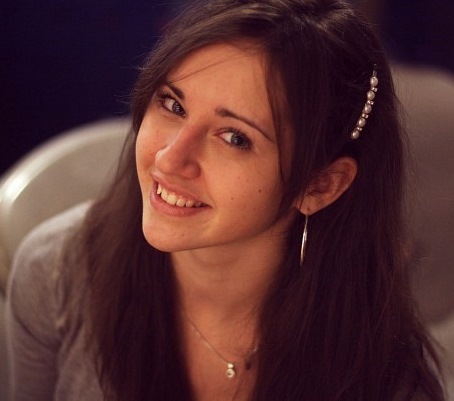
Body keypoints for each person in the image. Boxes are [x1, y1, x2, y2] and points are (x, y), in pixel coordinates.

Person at [6, 0, 446, 400]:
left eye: (235, 137)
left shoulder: (387, 380)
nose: (170, 158)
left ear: (320, 186)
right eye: (173, 105)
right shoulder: (55, 272)